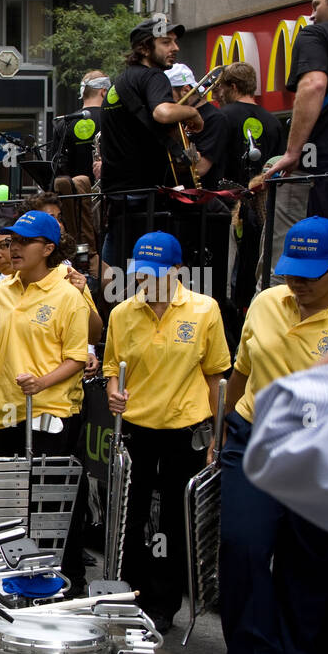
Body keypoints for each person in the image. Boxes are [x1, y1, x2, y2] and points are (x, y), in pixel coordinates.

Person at [219, 217, 328, 654]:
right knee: (243, 546)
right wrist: (222, 431)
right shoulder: (264, 304)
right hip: (252, 438)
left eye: (310, 274)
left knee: (307, 560)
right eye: (289, 272)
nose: (296, 283)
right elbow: (241, 371)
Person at [0, 212, 90, 589]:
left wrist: (42, 382)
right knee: (9, 503)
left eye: (22, 243)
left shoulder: (68, 295)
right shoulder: (2, 290)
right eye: (10, 242)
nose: (12, 249)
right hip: (5, 407)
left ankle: (65, 578)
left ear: (48, 249)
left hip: (51, 411)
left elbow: (77, 358)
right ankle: (17, 575)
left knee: (52, 503)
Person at [102, 232, 230, 632]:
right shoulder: (123, 313)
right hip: (137, 427)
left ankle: (164, 603)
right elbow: (111, 366)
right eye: (140, 273)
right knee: (131, 513)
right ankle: (130, 592)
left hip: (183, 427)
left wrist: (217, 435)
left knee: (175, 520)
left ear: (178, 271)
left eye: (156, 274)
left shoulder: (204, 310)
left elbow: (215, 376)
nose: (146, 281)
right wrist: (112, 391)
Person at [267, 0, 328, 278]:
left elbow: (313, 85)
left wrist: (293, 152)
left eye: (316, 4)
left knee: (322, 266)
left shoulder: (317, 35)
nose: (311, 14)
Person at [99, 17, 203, 273]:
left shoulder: (121, 82)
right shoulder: (154, 77)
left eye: (175, 41)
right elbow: (163, 113)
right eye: (166, 42)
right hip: (147, 200)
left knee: (118, 276)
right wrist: (193, 113)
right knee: (159, 274)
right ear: (145, 48)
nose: (175, 48)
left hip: (117, 197)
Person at [245, 326, 328, 546]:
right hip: (254, 430)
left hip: (305, 443)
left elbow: (272, 446)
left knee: (307, 552)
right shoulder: (265, 303)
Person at [216, 61, 286, 326]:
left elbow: (215, 165)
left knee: (231, 273)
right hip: (265, 206)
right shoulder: (272, 121)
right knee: (257, 267)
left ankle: (233, 325)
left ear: (233, 86)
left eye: (222, 87)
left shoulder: (223, 117)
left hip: (229, 208)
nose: (219, 93)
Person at [165, 63, 230, 189]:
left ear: (185, 91)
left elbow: (200, 168)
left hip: (203, 199)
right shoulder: (176, 115)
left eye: (168, 94)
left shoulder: (215, 119)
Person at [54, 71, 110, 184]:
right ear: (103, 92)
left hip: (73, 196)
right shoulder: (111, 119)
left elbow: (56, 165)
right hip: (105, 192)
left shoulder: (64, 123)